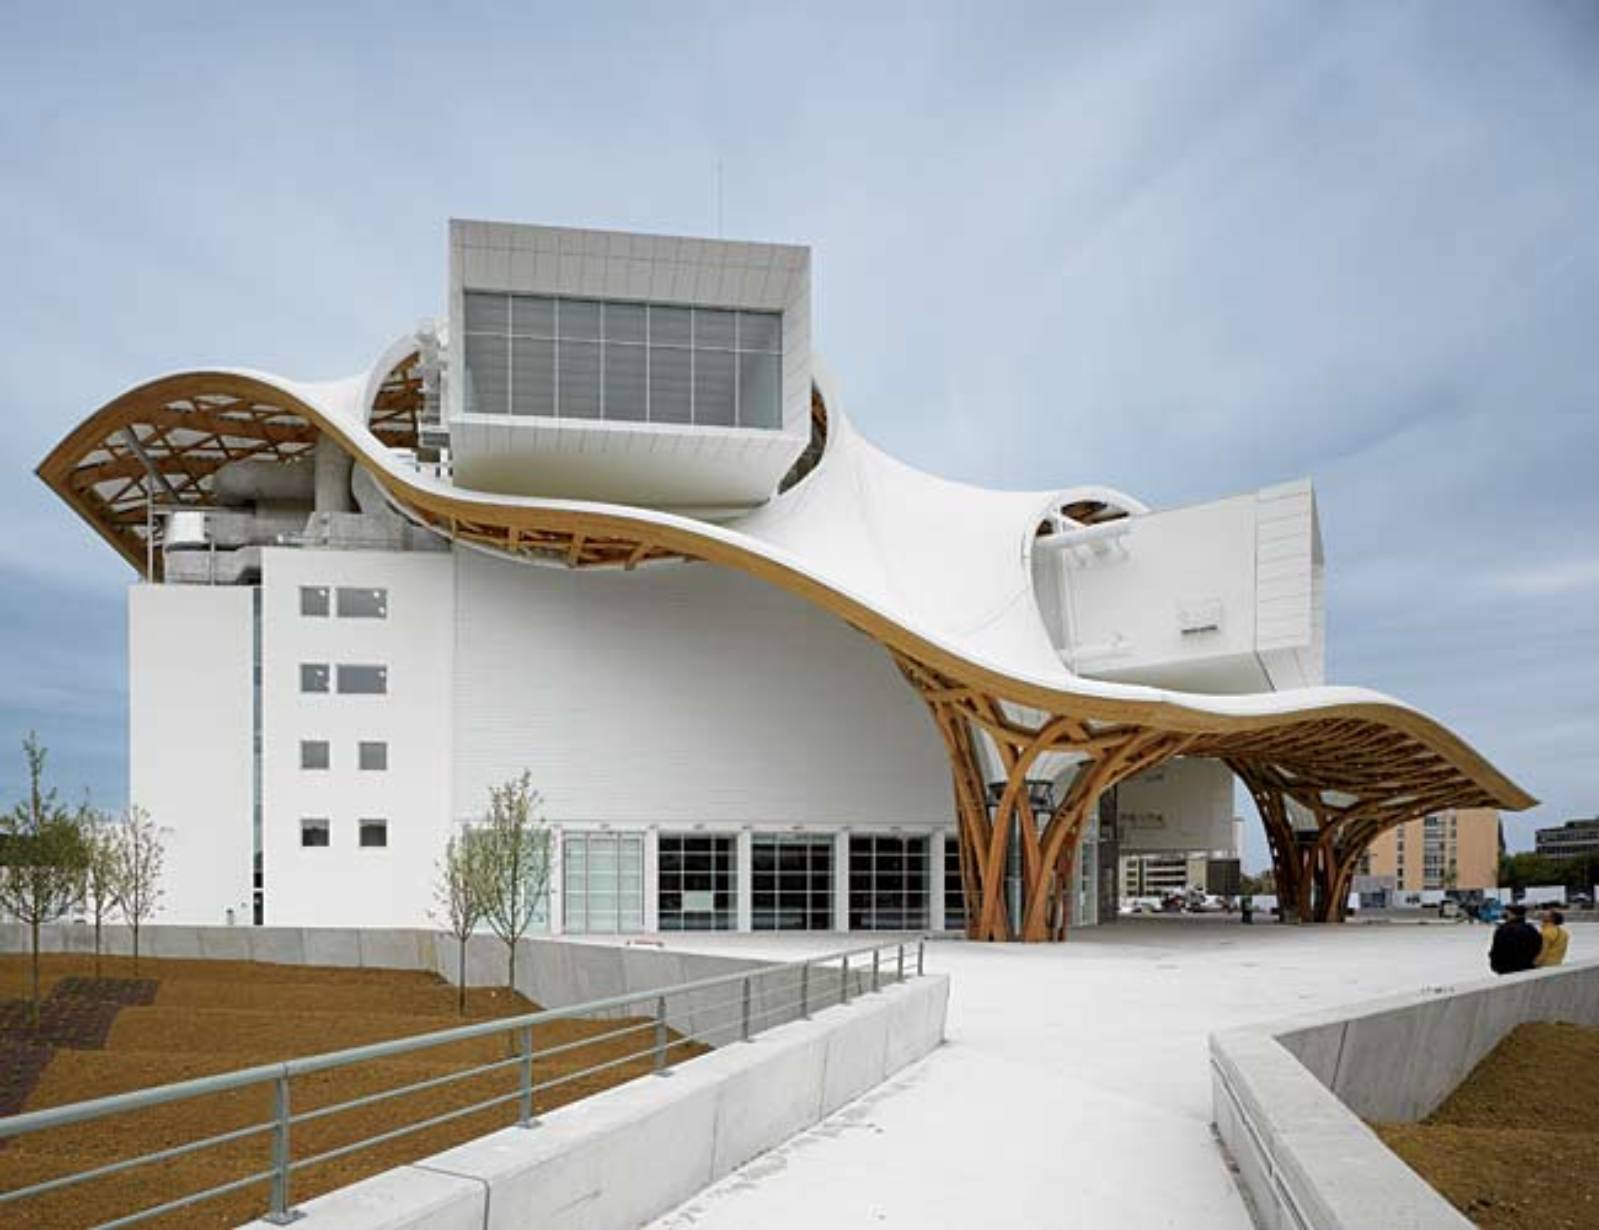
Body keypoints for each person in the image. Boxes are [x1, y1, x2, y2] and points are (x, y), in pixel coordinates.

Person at [1488, 904, 1543, 975]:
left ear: (1511, 914)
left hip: (1506, 969)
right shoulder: (1531, 929)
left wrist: (1495, 964)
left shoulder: (1504, 929)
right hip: (1527, 967)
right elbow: (1538, 946)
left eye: (1506, 912)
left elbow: (1498, 949)